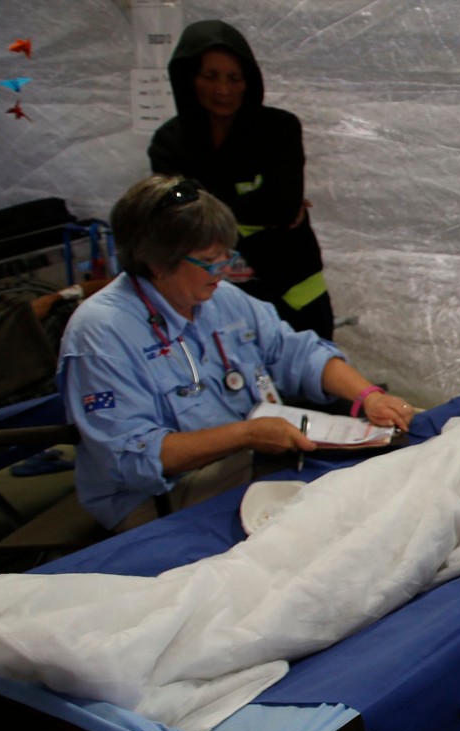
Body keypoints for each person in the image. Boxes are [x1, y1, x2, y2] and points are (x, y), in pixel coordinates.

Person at [59, 174, 413, 531]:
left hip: (246, 457)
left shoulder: (220, 298)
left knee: (376, 481)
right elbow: (132, 459)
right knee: (327, 519)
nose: (224, 269)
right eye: (208, 260)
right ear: (157, 263)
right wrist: (246, 434)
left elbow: (298, 352)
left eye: (226, 254)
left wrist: (368, 396)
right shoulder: (101, 335)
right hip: (160, 497)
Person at [149, 20, 335, 338]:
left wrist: (205, 204)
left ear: (249, 81)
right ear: (189, 77)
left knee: (313, 362)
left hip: (294, 288)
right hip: (214, 292)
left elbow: (281, 205)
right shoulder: (169, 142)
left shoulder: (279, 129)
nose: (223, 90)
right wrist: (260, 209)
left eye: (234, 78)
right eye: (210, 76)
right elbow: (176, 217)